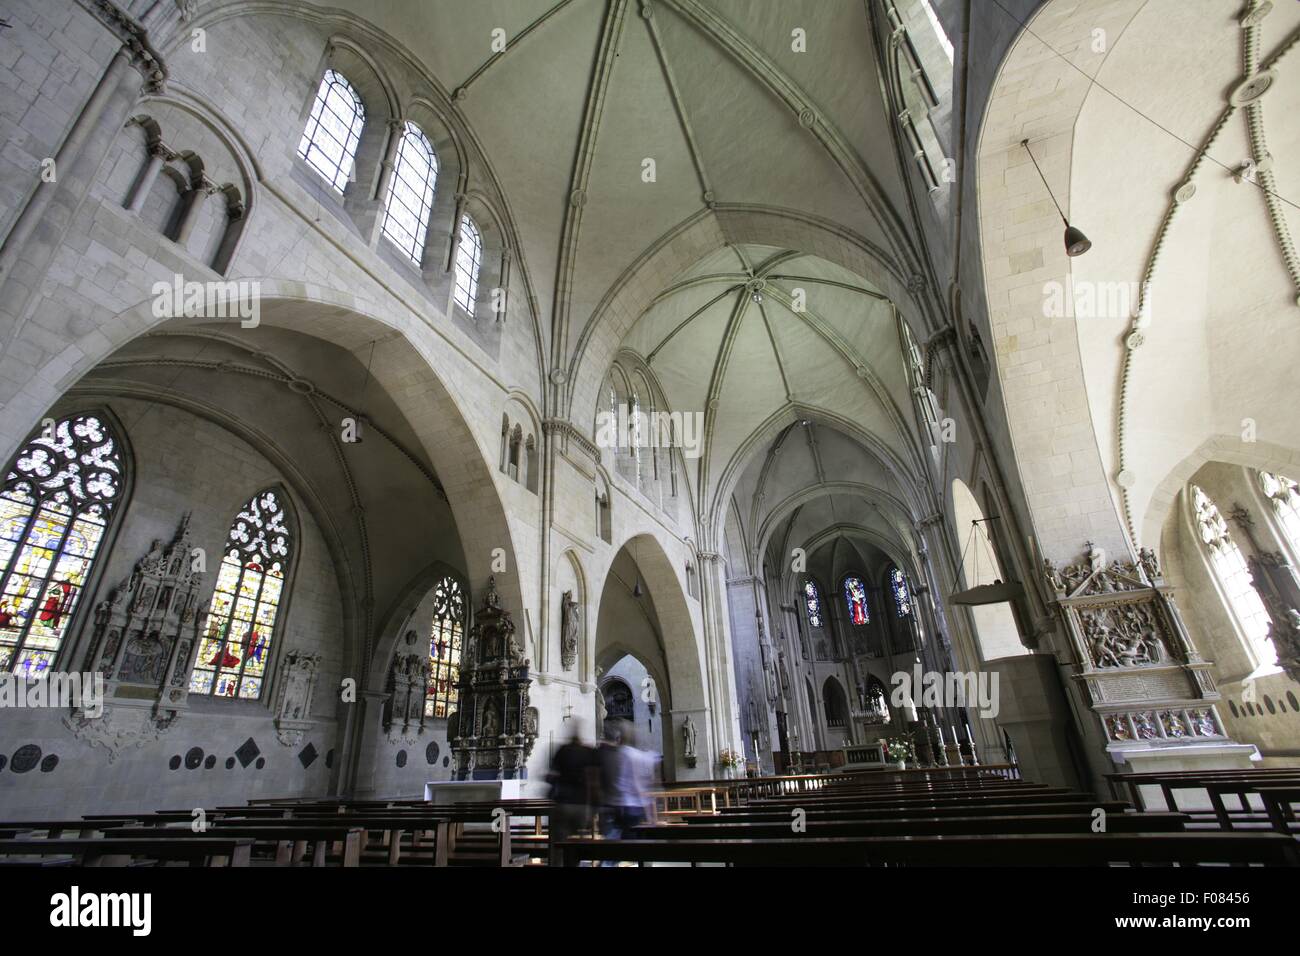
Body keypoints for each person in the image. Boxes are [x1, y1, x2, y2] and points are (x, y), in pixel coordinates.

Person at [545, 719, 597, 866]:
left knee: (559, 844)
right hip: (581, 806)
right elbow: (593, 778)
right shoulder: (588, 752)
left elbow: (551, 775)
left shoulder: (562, 750)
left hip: (563, 804)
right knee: (577, 845)